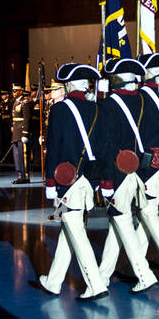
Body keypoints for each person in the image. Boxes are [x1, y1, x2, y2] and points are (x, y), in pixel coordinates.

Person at [36, 63, 108, 300]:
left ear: (68, 85)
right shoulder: (97, 109)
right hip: (88, 179)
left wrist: (49, 182)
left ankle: (95, 284)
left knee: (74, 228)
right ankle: (54, 282)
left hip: (67, 181)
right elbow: (101, 148)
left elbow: (53, 148)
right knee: (70, 226)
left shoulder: (60, 110)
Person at [95, 58, 159, 293]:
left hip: (119, 173)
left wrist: (105, 180)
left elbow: (105, 145)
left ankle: (144, 275)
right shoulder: (144, 100)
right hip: (141, 172)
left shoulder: (107, 106)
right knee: (118, 223)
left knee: (122, 221)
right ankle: (102, 276)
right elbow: (155, 134)